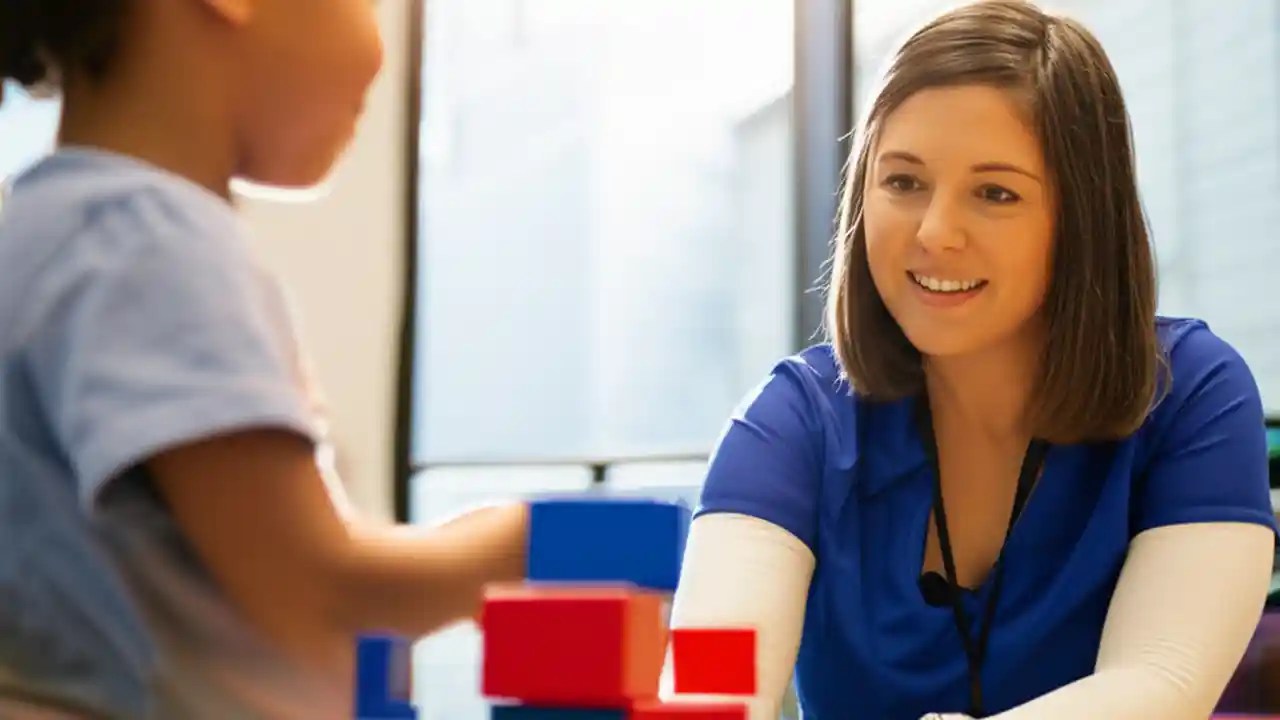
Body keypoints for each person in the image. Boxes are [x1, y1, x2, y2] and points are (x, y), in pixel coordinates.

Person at [663, 1, 1278, 719]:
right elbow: (711, 683)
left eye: (995, 193)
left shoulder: (1192, 395)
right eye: (903, 182)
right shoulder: (789, 422)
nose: (934, 232)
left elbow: (1162, 681)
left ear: (1081, 219)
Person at [0, 2, 529, 718]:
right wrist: (515, 545)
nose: (378, 48)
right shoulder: (145, 241)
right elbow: (319, 597)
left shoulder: (49, 232)